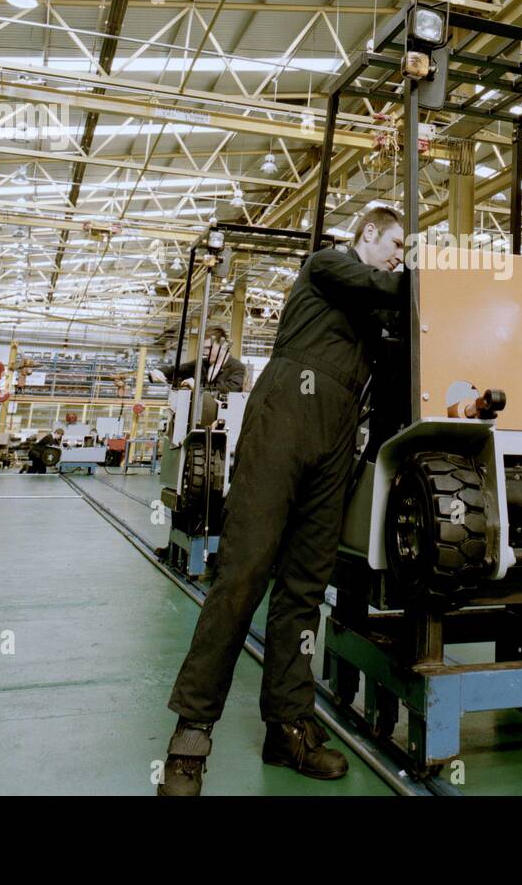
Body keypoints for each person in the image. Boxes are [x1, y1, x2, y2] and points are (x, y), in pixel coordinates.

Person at [159, 204, 407, 795]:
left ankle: (287, 726)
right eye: (396, 242)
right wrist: (436, 275)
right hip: (284, 421)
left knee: (303, 588)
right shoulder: (328, 265)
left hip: (338, 440)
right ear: (368, 233)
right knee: (243, 573)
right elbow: (387, 284)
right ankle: (190, 740)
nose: (400, 254)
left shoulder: (377, 312)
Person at [151, 325, 249, 396]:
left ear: (224, 346)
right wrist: (158, 372)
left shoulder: (237, 368)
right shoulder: (201, 364)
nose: (205, 352)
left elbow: (231, 391)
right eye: (203, 348)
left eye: (209, 348)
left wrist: (198, 388)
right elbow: (176, 370)